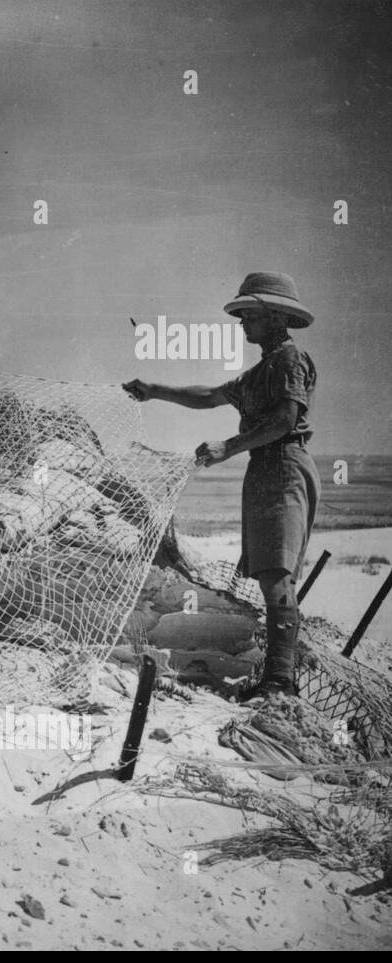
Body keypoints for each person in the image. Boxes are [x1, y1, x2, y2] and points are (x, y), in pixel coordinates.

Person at [124, 272, 319, 701]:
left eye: (248, 313)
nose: (241, 321)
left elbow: (285, 421)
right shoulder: (261, 370)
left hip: (283, 464)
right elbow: (209, 395)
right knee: (270, 570)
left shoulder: (288, 361)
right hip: (266, 468)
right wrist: (154, 390)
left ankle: (279, 683)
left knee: (277, 575)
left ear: (273, 316)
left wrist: (229, 446)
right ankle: (277, 678)